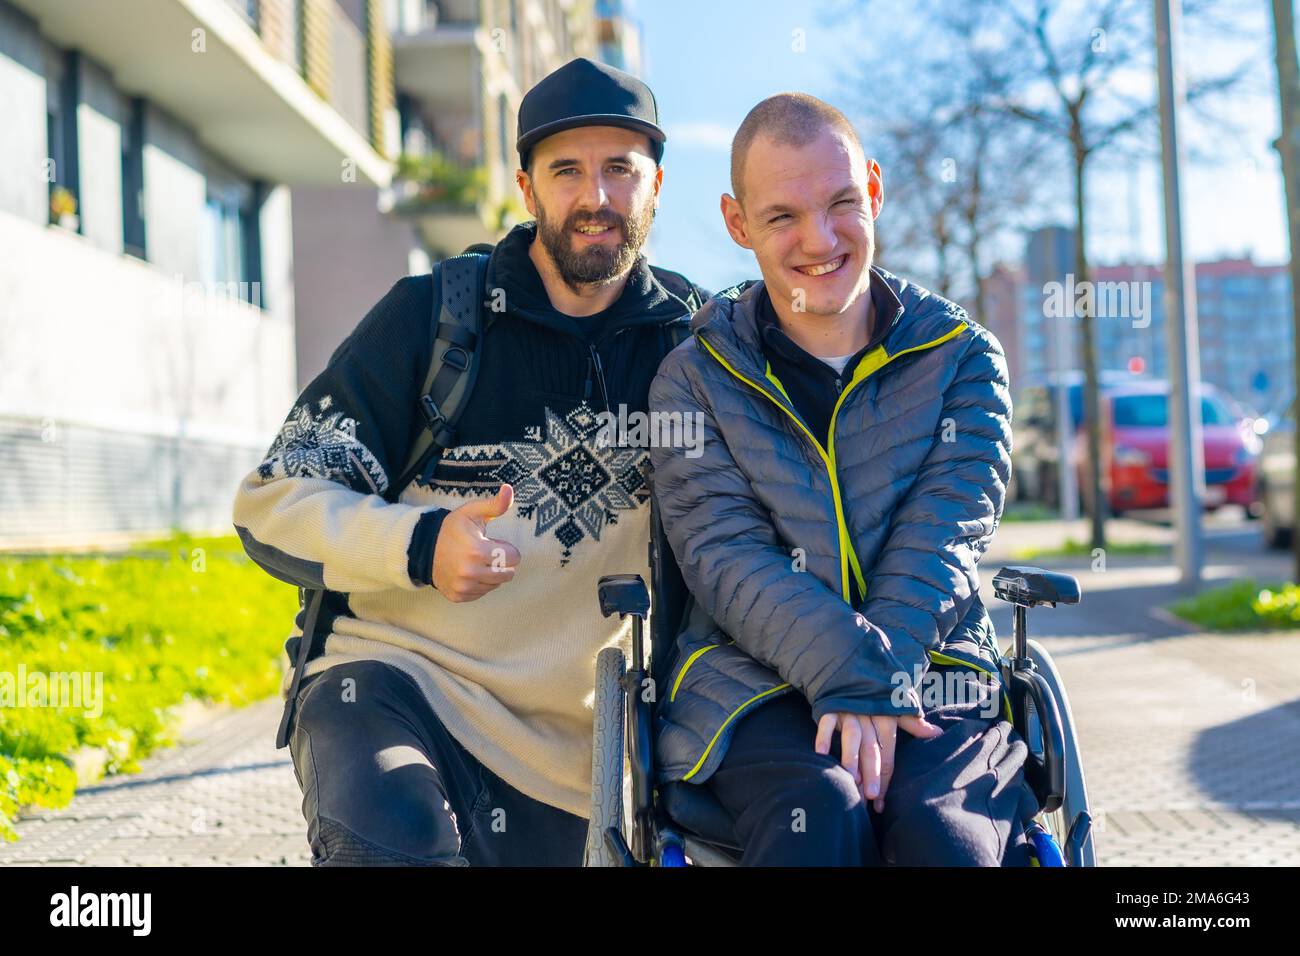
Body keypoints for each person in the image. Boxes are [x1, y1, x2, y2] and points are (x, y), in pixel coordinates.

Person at [231, 57, 708, 866]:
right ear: (527, 189)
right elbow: (272, 502)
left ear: (656, 185)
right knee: (398, 844)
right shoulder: (436, 318)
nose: (595, 196)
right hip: (393, 685)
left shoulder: (696, 347)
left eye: (620, 170)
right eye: (566, 170)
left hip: (575, 758)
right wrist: (420, 545)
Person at [647, 92, 1037, 866]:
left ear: (875, 190)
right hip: (748, 684)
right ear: (737, 223)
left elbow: (944, 537)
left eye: (841, 203)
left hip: (935, 666)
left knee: (946, 837)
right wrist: (853, 677)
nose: (819, 240)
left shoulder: (964, 357)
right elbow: (724, 556)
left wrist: (874, 683)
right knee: (817, 814)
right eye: (782, 216)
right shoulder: (692, 380)